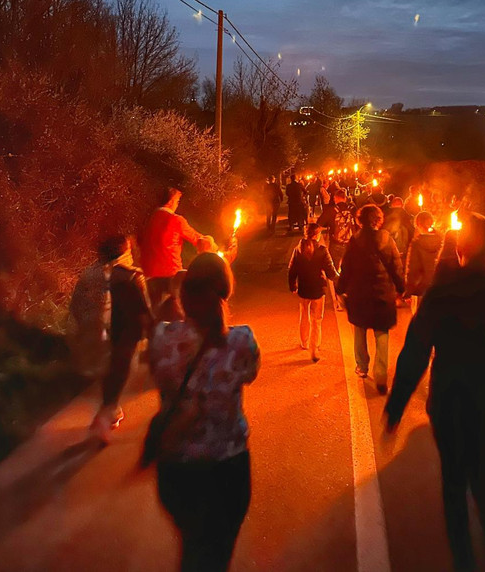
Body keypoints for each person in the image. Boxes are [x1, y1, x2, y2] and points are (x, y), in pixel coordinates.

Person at [385, 213, 485, 572]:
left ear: (459, 252)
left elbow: (416, 351)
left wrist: (397, 404)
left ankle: (463, 559)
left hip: (449, 404)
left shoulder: (440, 296)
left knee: (453, 483)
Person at [150, 252, 260, 572]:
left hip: (176, 470)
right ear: (224, 291)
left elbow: (160, 378)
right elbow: (249, 374)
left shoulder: (161, 338)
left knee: (194, 548)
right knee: (216, 553)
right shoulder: (241, 341)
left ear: (183, 293)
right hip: (227, 467)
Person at [90, 235, 154, 440]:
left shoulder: (91, 275)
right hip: (125, 336)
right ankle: (105, 418)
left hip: (96, 336)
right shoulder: (131, 276)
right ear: (124, 252)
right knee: (120, 373)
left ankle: (109, 411)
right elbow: (144, 311)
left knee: (109, 373)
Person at [337, 204, 404, 395]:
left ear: (360, 220)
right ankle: (381, 373)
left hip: (360, 295)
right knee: (382, 333)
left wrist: (340, 289)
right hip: (383, 294)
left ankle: (362, 366)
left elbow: (346, 268)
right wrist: (401, 288)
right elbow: (396, 267)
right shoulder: (387, 239)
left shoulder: (355, 241)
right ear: (378, 219)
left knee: (360, 330)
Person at [141, 186, 206, 315]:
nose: (177, 205)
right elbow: (198, 240)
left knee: (155, 313)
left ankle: (156, 334)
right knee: (179, 311)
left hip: (149, 274)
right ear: (170, 201)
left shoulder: (148, 219)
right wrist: (210, 244)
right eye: (177, 201)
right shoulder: (175, 220)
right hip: (171, 273)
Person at [287, 222, 338, 362]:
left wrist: (293, 286)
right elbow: (331, 272)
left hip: (304, 288)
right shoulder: (322, 250)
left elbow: (292, 270)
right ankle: (314, 347)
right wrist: (341, 280)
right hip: (318, 289)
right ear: (317, 235)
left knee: (304, 313)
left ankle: (304, 342)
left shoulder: (298, 249)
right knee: (317, 320)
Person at [68, 245, 113, 377]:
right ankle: (97, 374)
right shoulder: (109, 273)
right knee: (100, 346)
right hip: (100, 318)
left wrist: (78, 315)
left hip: (86, 316)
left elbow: (76, 298)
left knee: (89, 346)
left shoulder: (87, 272)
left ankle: (87, 373)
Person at [404, 211, 443, 314]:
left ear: (418, 224)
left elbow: (413, 268)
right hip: (439, 286)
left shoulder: (416, 243)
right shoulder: (443, 241)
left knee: (420, 322)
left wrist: (408, 291)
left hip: (421, 289)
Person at [381, 196, 414, 263]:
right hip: (401, 249)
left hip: (389, 247)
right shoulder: (403, 213)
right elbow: (410, 228)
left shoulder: (386, 213)